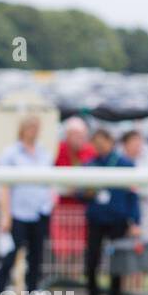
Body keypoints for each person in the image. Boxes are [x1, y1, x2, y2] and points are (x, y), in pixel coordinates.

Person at [81, 128, 141, 295]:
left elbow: (133, 196)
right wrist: (86, 193)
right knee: (91, 263)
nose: (99, 147)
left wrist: (135, 221)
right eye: (95, 143)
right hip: (96, 220)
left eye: (101, 142)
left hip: (117, 220)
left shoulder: (124, 164)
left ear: (109, 141)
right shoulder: (89, 165)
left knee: (117, 264)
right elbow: (81, 193)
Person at [0, 115, 53, 295]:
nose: (34, 131)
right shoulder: (11, 153)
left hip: (39, 213)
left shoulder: (43, 153)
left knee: (35, 261)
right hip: (17, 214)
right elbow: (4, 186)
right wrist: (6, 215)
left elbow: (48, 183)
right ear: (22, 129)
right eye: (30, 127)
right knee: (9, 259)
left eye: (36, 127)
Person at [51, 116, 95, 270]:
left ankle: (74, 285)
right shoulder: (58, 150)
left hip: (83, 208)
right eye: (75, 135)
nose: (79, 139)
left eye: (82, 135)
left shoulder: (90, 151)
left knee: (79, 249)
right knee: (63, 249)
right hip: (62, 207)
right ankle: (63, 283)